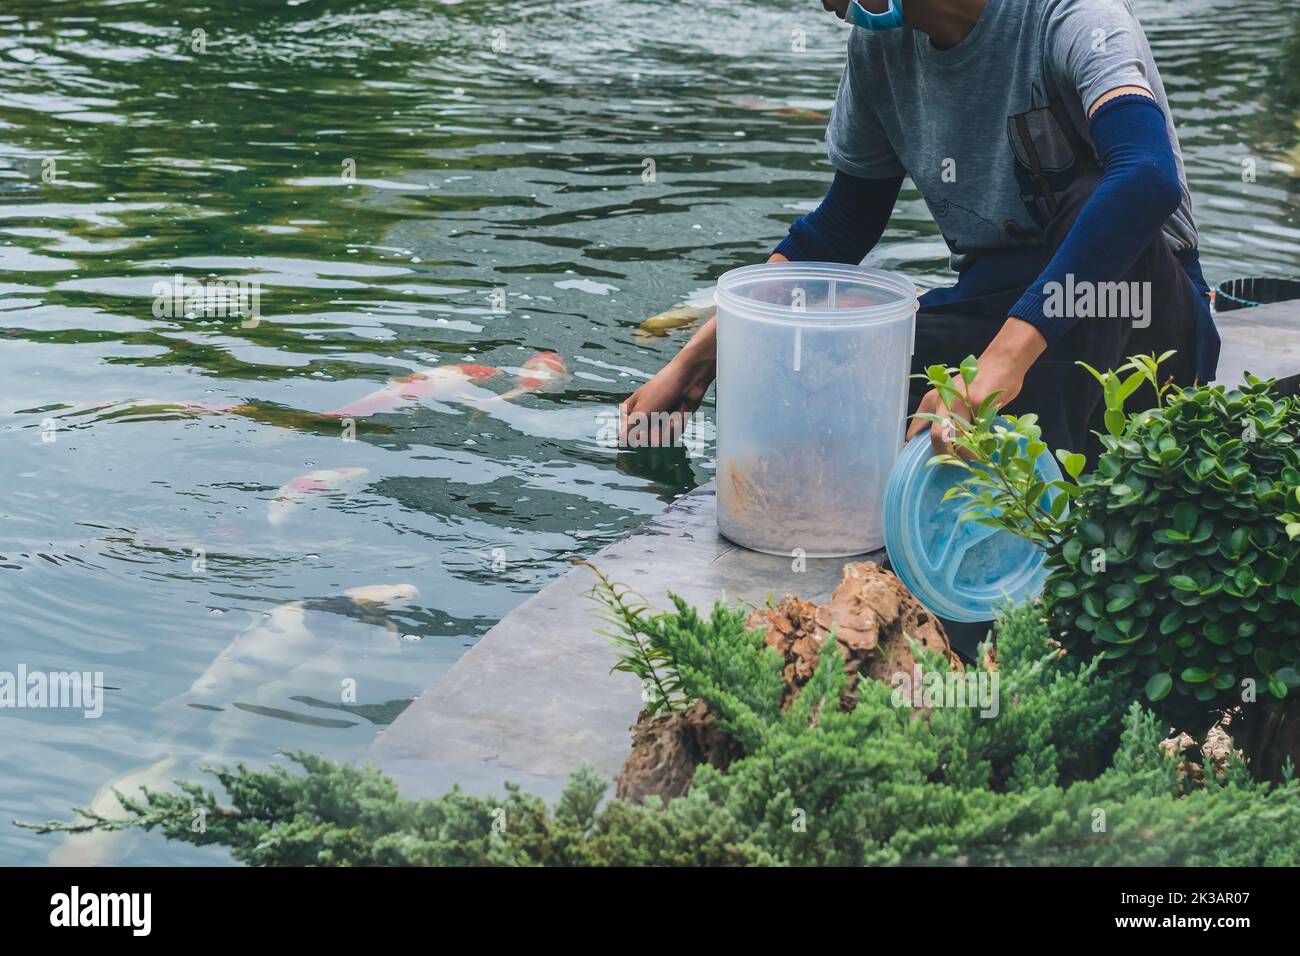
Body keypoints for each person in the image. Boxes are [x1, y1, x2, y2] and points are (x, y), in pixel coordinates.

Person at [621, 0, 1219, 457]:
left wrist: (999, 367)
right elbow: (841, 228)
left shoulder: (1073, 16)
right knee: (814, 365)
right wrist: (698, 360)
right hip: (997, 306)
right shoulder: (878, 50)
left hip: (1138, 314)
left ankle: (1031, 531)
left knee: (1095, 196)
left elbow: (1146, 177)